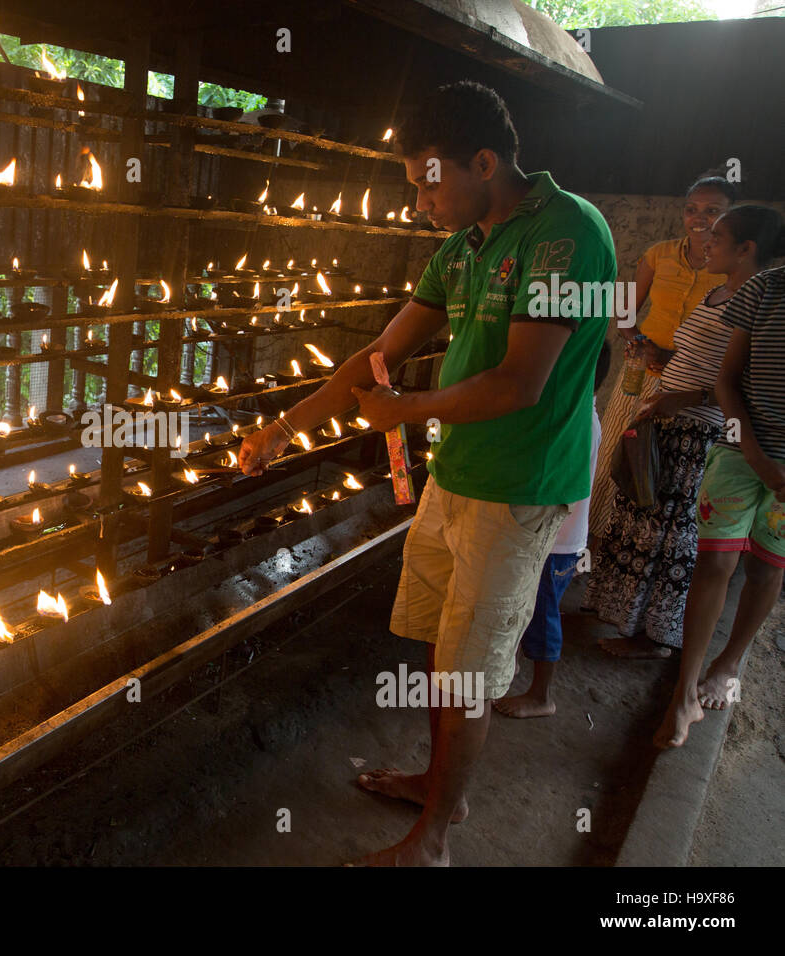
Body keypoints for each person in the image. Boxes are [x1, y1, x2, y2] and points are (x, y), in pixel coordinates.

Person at [239, 81, 613, 865]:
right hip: (456, 478)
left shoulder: (568, 233)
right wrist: (283, 427)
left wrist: (406, 412)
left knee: (470, 671)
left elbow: (521, 384)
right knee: (447, 656)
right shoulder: (463, 247)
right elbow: (376, 358)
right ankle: (442, 784)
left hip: (517, 489)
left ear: (482, 161)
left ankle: (432, 841)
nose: (418, 202)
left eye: (425, 180)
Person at [584, 206, 773, 658]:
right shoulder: (720, 293)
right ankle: (625, 620)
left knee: (672, 538)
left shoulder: (757, 304)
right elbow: (699, 361)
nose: (707, 240)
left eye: (719, 234)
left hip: (698, 435)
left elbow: (748, 382)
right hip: (670, 421)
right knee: (644, 526)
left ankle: (656, 639)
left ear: (746, 249)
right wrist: (661, 362)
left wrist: (687, 399)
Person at [655, 215, 785, 749]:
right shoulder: (763, 288)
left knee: (766, 564)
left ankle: (728, 664)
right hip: (740, 446)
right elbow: (728, 381)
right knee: (716, 560)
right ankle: (685, 690)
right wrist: (755, 455)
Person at [587, 177, 735, 541]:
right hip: (643, 368)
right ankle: (597, 538)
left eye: (713, 211)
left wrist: (676, 358)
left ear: (730, 216)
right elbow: (624, 309)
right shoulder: (660, 254)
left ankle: (641, 545)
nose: (700, 219)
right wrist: (640, 342)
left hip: (692, 383)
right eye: (692, 210)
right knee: (617, 450)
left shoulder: (732, 269)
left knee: (665, 467)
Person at [494, 343, 606, 718]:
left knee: (543, 612)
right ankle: (513, 670)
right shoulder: (576, 417)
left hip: (557, 544)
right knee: (526, 604)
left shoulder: (579, 425)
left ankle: (542, 695)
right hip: (550, 538)